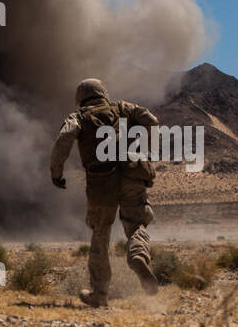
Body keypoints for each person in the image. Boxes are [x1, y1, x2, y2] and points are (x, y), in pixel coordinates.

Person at [50, 78, 160, 307]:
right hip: (132, 173)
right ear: (103, 93)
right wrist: (139, 147)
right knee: (137, 222)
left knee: (100, 233)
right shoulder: (123, 108)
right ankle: (138, 254)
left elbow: (63, 140)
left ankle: (99, 294)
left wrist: (56, 172)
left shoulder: (78, 116)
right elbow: (152, 120)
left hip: (101, 182)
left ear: (80, 97)